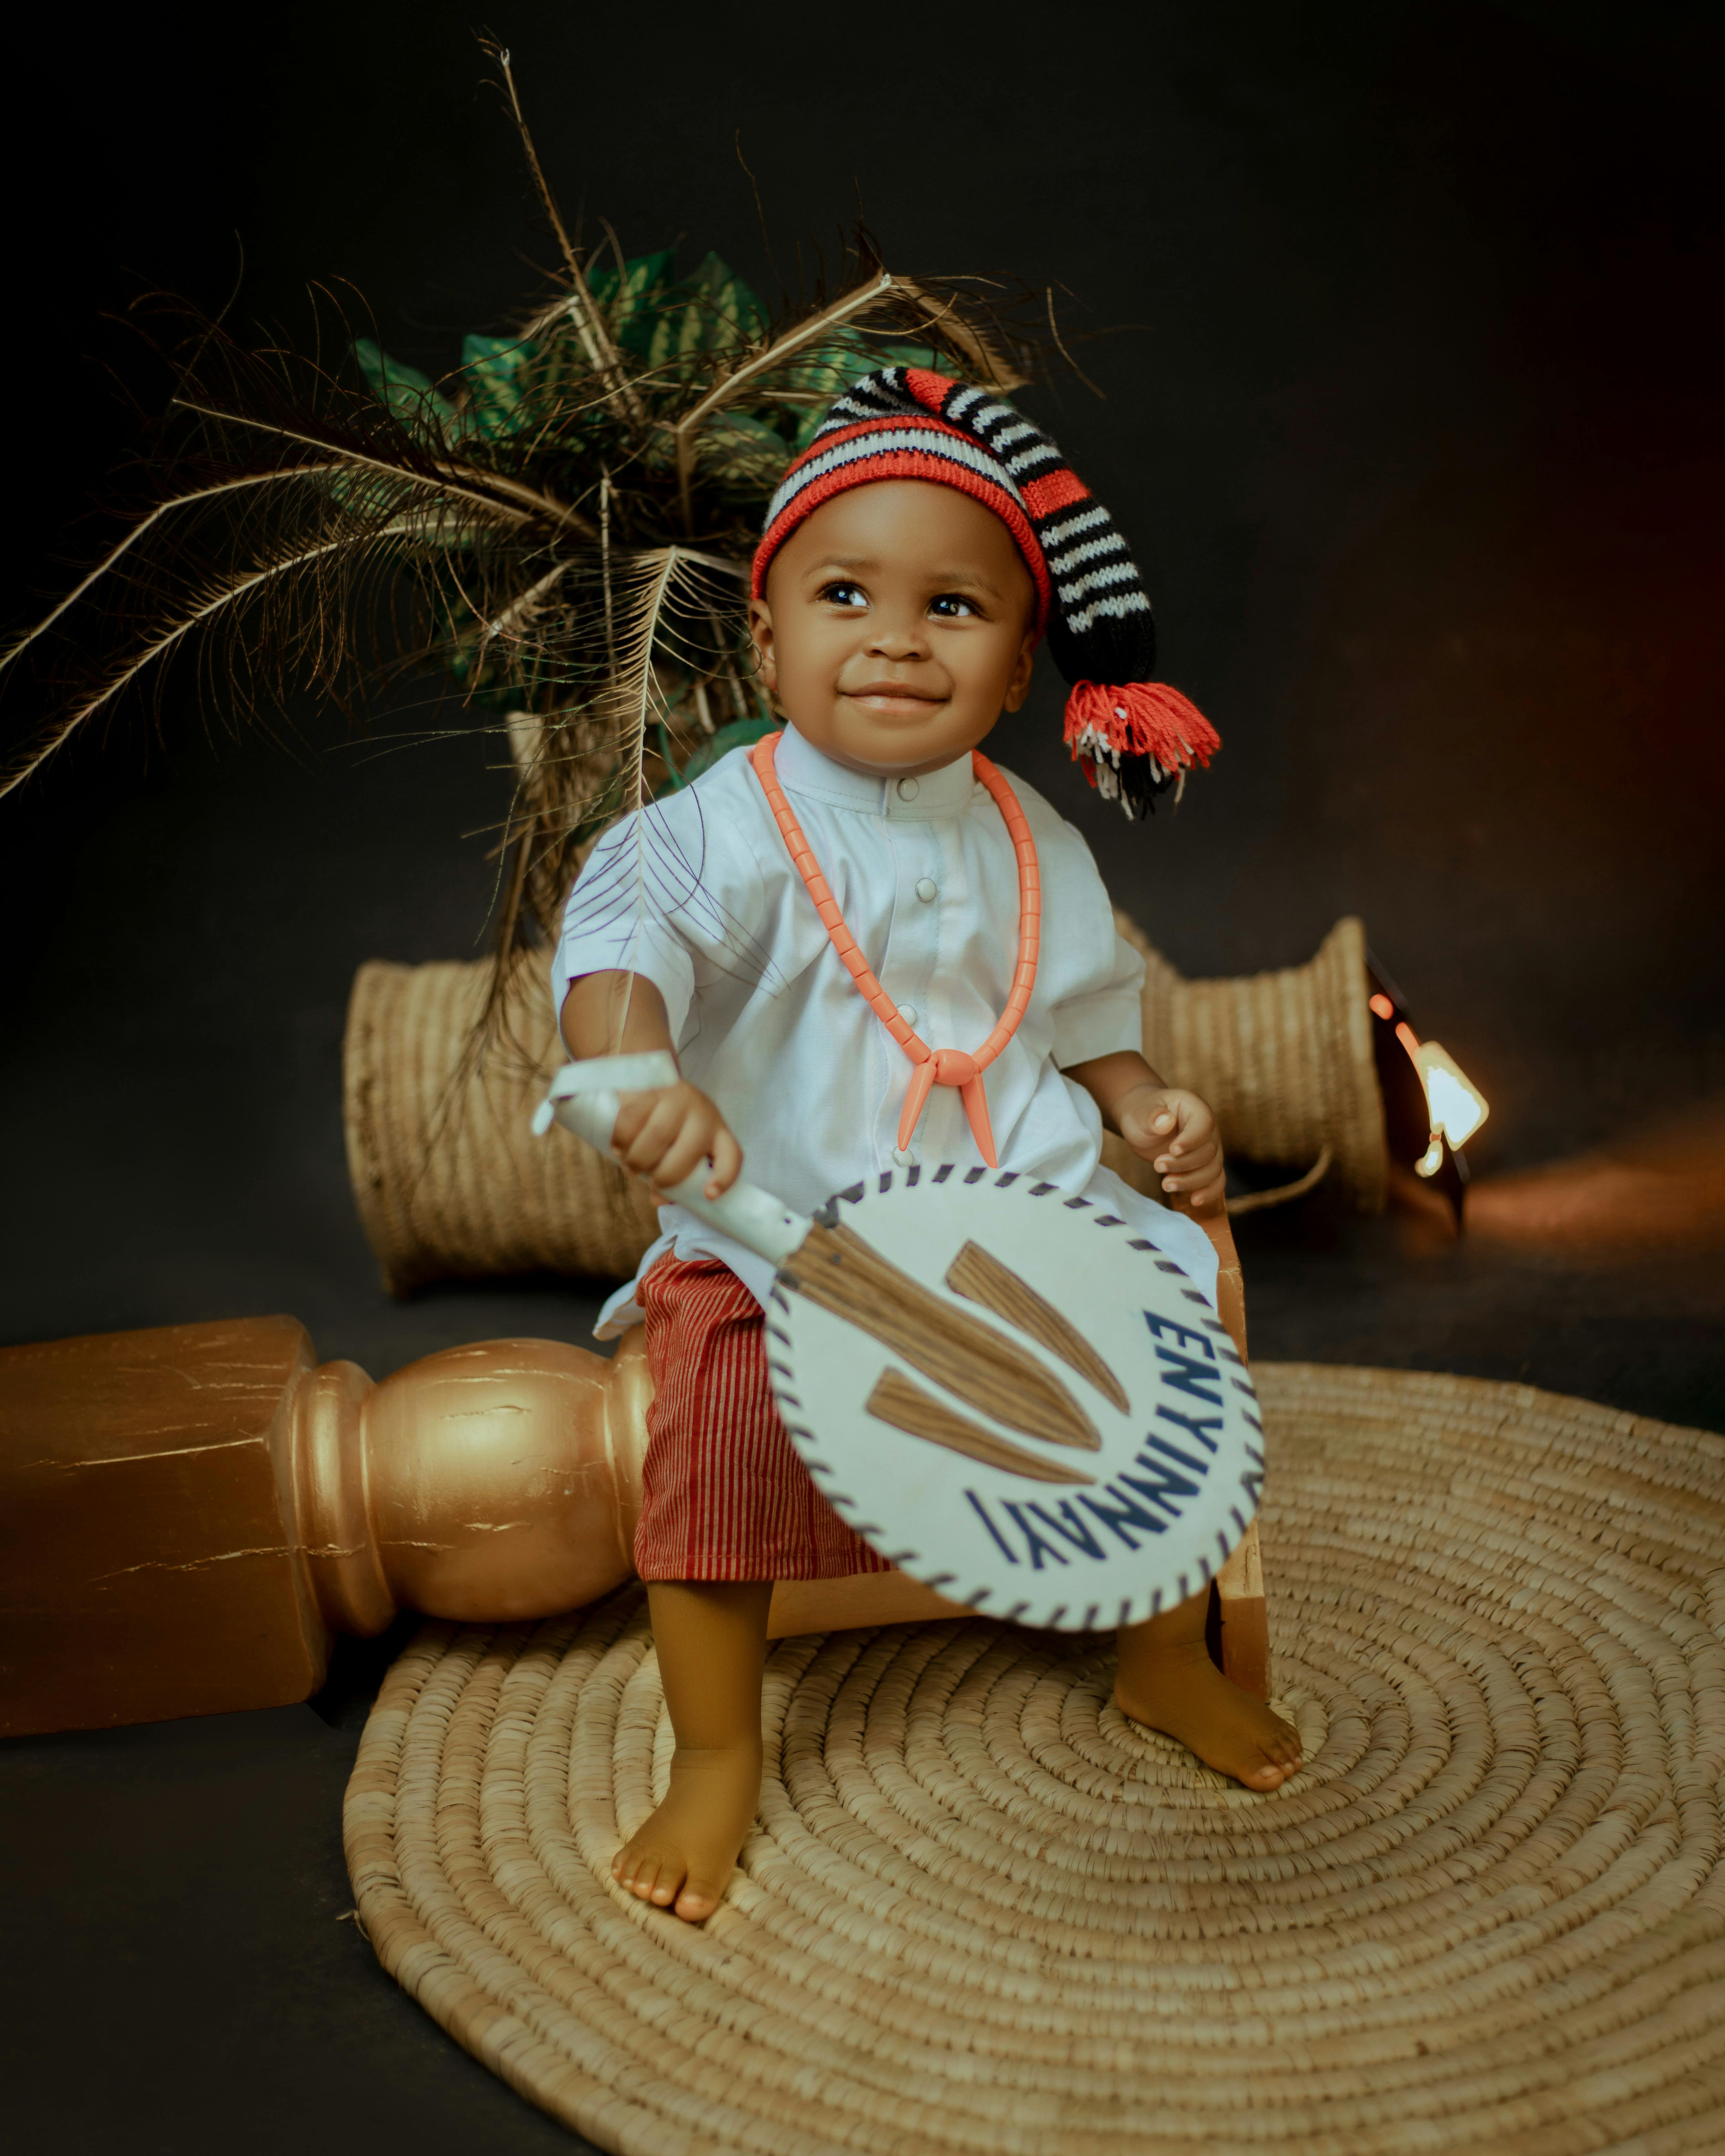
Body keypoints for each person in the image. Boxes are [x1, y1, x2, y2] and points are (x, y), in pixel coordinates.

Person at [555, 369, 1302, 1923]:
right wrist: (640, 1072)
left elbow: (1083, 1006)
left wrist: (1141, 1099)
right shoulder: (724, 826)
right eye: (844, 595)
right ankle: (713, 1752)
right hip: (788, 1222)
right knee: (727, 1412)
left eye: (954, 606)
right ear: (767, 639)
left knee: (1160, 1348)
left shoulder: (1031, 838)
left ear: (1024, 661)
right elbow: (620, 943)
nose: (896, 636)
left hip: (1006, 1212)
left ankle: (1159, 1653)